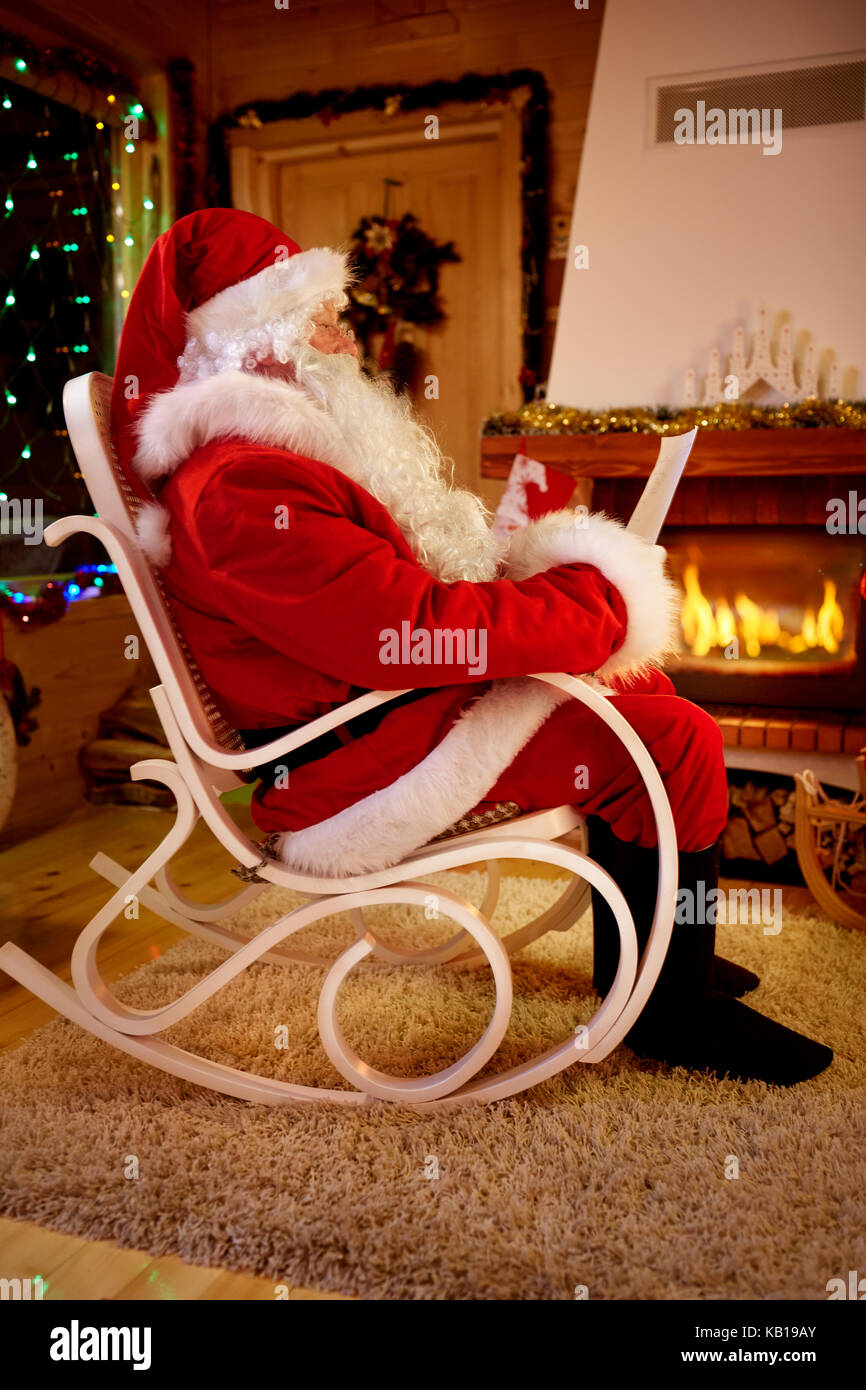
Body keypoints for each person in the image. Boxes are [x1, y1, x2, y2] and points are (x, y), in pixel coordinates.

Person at [110, 208, 832, 1086]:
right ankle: (671, 1012)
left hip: (374, 720)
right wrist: (591, 603)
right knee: (669, 737)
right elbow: (404, 633)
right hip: (354, 763)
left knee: (649, 703)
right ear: (260, 341)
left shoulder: (266, 462)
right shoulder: (243, 482)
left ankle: (657, 961)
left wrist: (554, 593)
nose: (347, 340)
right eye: (325, 320)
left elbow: (384, 609)